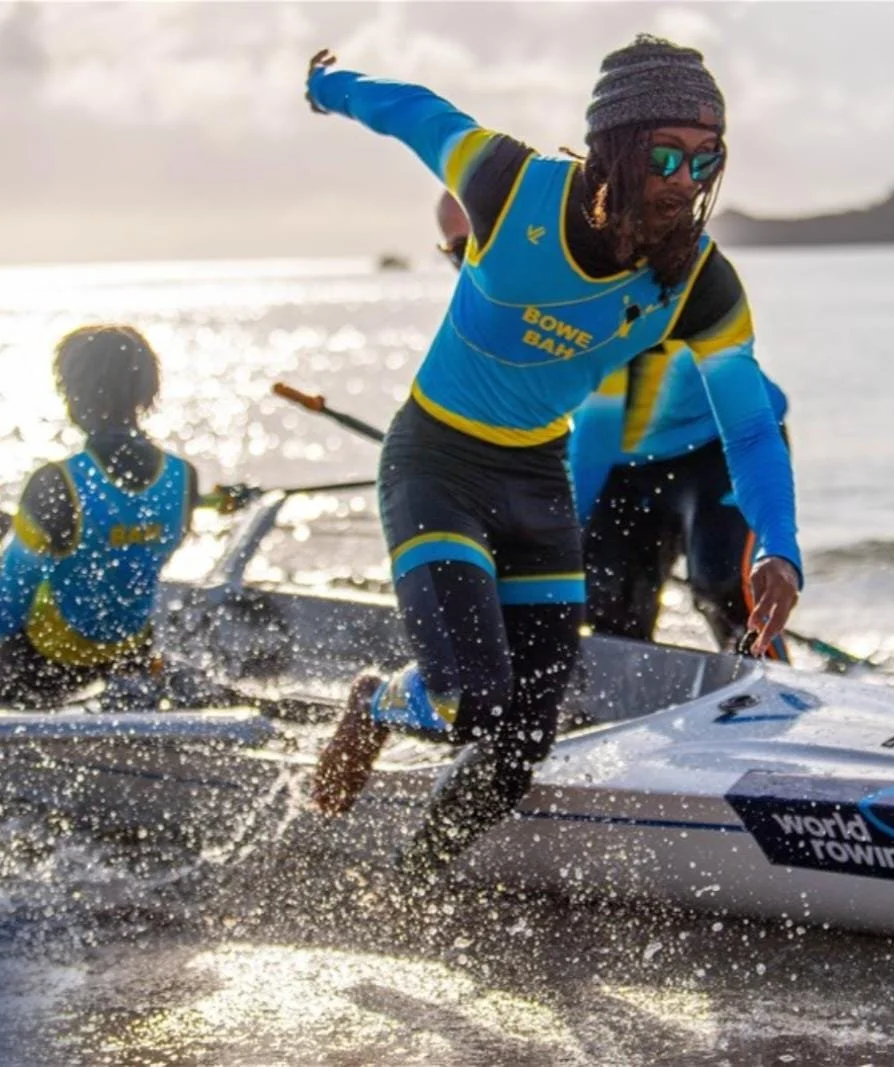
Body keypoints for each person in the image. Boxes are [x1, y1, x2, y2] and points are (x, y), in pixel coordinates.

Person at [305, 35, 804, 877]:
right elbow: (409, 111)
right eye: (665, 154)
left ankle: (413, 879)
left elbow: (750, 427)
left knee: (522, 738)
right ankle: (377, 700)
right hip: (437, 463)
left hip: (535, 479)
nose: (685, 180)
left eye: (705, 158)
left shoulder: (698, 281)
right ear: (614, 145)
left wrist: (779, 546)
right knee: (468, 697)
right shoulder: (506, 184)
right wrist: (327, 88)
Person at [436, 190, 792, 658]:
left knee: (722, 582)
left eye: (487, 242)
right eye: (461, 253)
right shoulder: (502, 317)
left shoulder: (593, 278)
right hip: (627, 467)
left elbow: (595, 437)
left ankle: (777, 685)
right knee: (605, 604)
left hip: (718, 449)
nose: (479, 265)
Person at [0, 325, 251, 705]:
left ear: (75, 394)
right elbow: (128, 546)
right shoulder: (183, 477)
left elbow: (9, 608)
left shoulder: (57, 481)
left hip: (42, 664)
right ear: (145, 392)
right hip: (126, 656)